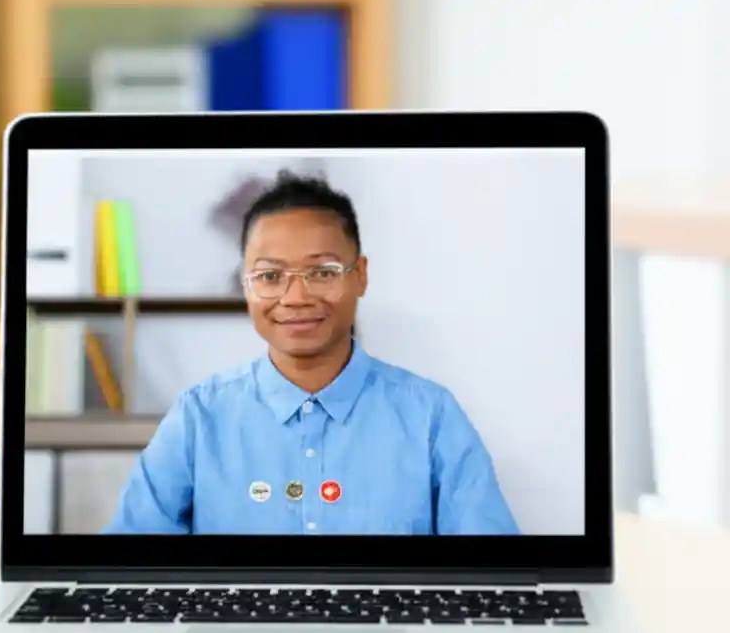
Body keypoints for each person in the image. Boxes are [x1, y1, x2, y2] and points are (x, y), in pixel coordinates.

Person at [103, 172, 520, 535]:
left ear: (360, 277)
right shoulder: (198, 416)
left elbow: (495, 571)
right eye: (269, 276)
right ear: (246, 287)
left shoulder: (431, 415)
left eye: (323, 272)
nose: (296, 297)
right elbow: (121, 568)